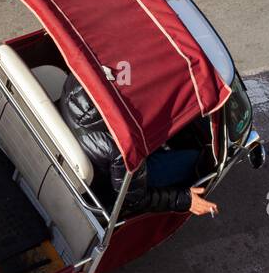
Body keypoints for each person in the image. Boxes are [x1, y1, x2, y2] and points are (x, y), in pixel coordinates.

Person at [59, 76, 218, 217]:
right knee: (192, 158)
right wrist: (185, 199)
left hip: (76, 133)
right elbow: (133, 199)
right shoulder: (124, 149)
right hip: (109, 180)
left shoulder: (77, 82)